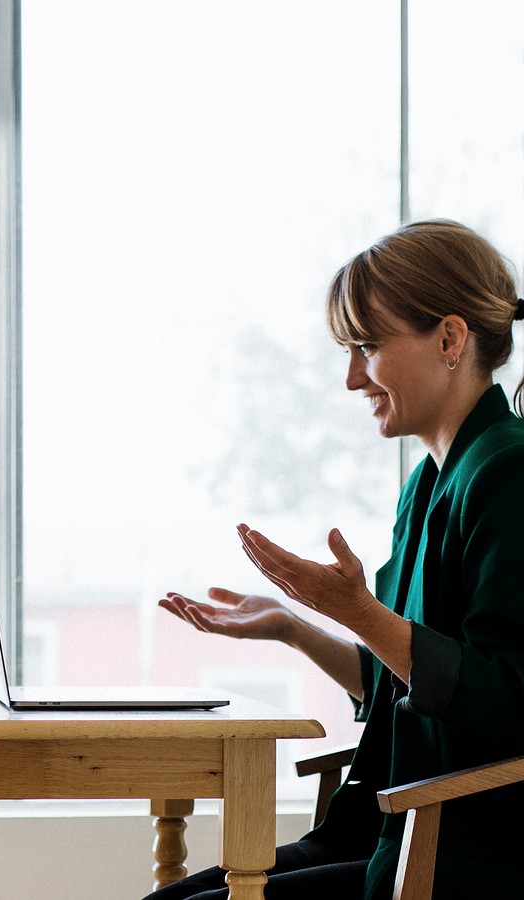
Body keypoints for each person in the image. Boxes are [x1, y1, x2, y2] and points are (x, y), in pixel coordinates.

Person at [144, 219, 524, 899]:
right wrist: (298, 627)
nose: (353, 378)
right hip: (382, 829)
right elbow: (406, 689)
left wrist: (358, 611)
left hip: (463, 851)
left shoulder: (509, 471)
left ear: (449, 338)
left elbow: (504, 702)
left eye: (368, 347)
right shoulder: (429, 482)